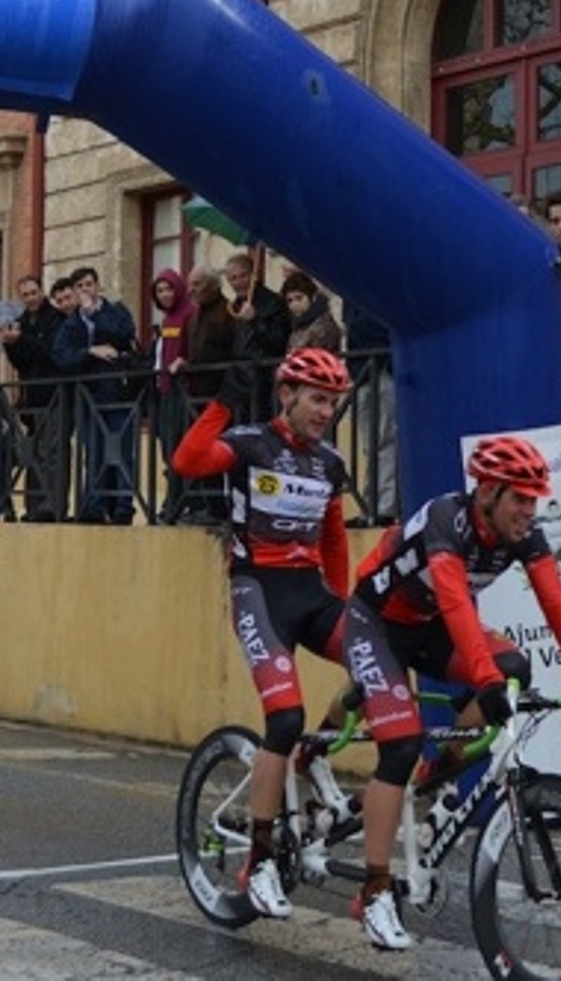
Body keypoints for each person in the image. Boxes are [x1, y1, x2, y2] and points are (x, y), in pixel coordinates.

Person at [338, 435, 561, 950]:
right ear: (489, 492)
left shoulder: (523, 534)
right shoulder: (445, 521)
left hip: (428, 626)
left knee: (513, 666)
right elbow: (456, 605)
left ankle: (436, 776)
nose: (529, 511)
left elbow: (558, 608)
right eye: (520, 498)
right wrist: (487, 682)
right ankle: (376, 891)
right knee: (401, 745)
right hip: (376, 623)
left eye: (535, 499)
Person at [170, 347, 359, 923]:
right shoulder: (251, 444)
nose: (326, 410)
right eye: (316, 399)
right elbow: (188, 460)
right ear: (287, 395)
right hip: (258, 592)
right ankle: (258, 862)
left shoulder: (329, 462)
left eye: (333, 401)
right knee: (282, 718)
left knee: (383, 668)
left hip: (311, 592)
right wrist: (224, 401)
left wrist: (346, 605)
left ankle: (307, 758)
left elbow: (333, 540)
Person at [49, 266, 139, 524]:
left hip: (117, 392)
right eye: (80, 286)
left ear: (97, 286)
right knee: (94, 451)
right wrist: (90, 351)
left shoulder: (115, 311)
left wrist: (97, 317)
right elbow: (61, 356)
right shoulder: (72, 322)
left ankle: (123, 505)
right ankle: (95, 504)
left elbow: (124, 334)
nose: (85, 290)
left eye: (89, 284)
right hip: (88, 396)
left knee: (121, 451)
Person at [0, 273, 69, 521]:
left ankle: (54, 505)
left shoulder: (58, 319)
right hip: (32, 396)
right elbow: (22, 363)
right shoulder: (20, 322)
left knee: (54, 452)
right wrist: (10, 345)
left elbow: (52, 354)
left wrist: (23, 339)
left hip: (56, 393)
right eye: (25, 295)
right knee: (34, 453)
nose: (30, 298)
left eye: (33, 293)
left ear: (42, 292)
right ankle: (33, 506)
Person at [174, 266, 238, 523]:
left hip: (222, 394)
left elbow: (229, 352)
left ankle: (229, 508)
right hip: (199, 395)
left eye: (197, 284)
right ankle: (212, 506)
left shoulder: (228, 312)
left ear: (213, 285)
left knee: (227, 452)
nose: (191, 290)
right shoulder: (193, 316)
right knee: (203, 451)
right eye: (190, 285)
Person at [149, 267, 197, 524]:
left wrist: (184, 362)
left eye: (168, 288)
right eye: (159, 290)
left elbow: (194, 348)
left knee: (183, 449)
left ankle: (185, 502)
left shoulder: (189, 313)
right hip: (165, 391)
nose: (165, 294)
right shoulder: (167, 319)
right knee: (169, 450)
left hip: (184, 393)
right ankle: (174, 501)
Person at [342, 299, 396, 525]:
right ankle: (371, 504)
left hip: (381, 366)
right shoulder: (349, 291)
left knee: (383, 440)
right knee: (371, 444)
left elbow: (372, 327)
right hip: (363, 370)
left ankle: (382, 506)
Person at [224, 251, 289, 419]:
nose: (238, 282)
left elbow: (279, 341)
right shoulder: (234, 307)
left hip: (264, 384)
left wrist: (255, 320)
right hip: (239, 385)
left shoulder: (273, 302)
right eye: (233, 278)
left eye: (243, 276)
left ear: (254, 276)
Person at [281, 271, 343, 352]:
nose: (294, 305)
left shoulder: (324, 325)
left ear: (313, 297)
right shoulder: (297, 325)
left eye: (299, 298)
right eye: (290, 301)